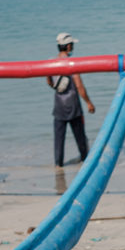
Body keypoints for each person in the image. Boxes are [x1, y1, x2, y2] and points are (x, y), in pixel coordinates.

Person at [46, 32, 95, 168]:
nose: (72, 47)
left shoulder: (51, 62)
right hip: (73, 105)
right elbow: (79, 85)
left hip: (59, 106)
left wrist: (58, 87)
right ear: (68, 46)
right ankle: (85, 160)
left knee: (59, 138)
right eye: (72, 45)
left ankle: (58, 164)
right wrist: (89, 102)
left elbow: (49, 81)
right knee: (80, 136)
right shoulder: (72, 64)